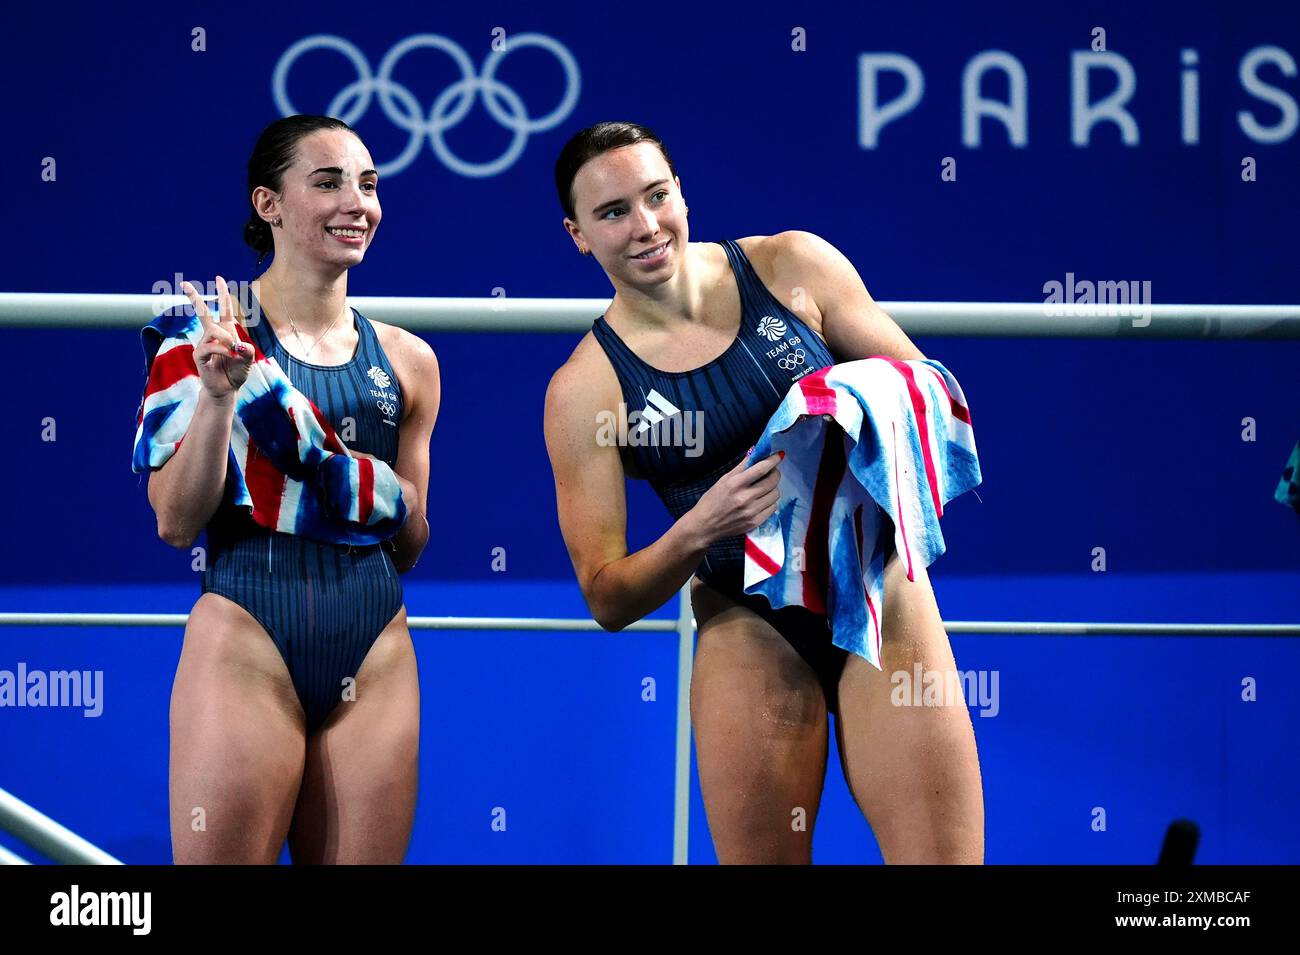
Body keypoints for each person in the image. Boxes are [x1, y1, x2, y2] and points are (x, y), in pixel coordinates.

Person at [543, 122, 983, 864]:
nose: (646, 226)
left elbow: (932, 401)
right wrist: (695, 530)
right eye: (613, 213)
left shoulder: (793, 266)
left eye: (657, 196)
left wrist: (844, 402)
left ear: (682, 191)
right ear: (578, 235)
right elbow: (606, 597)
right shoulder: (586, 388)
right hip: (747, 622)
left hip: (880, 595)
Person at [143, 115, 439, 863]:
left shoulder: (409, 360)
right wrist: (216, 398)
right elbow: (177, 522)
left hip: (376, 650)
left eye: (369, 184)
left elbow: (408, 544)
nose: (358, 202)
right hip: (246, 636)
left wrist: (370, 490)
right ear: (268, 203)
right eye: (329, 181)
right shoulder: (200, 334)